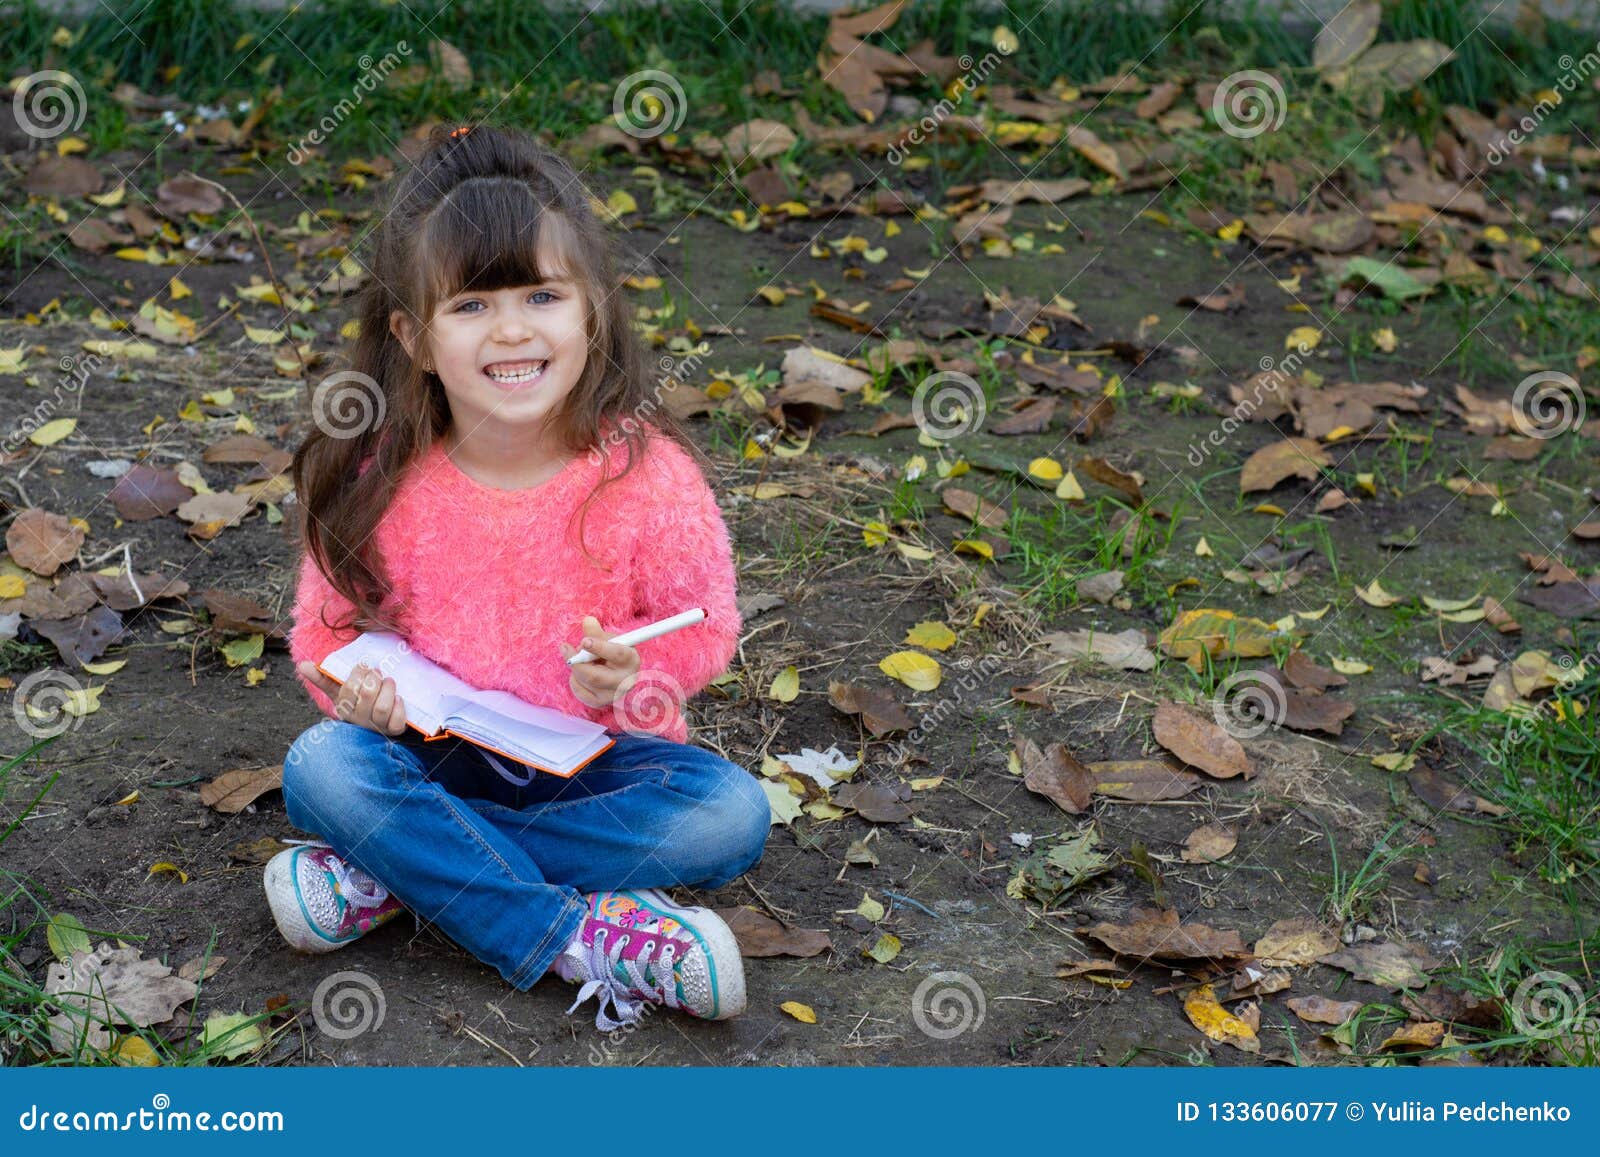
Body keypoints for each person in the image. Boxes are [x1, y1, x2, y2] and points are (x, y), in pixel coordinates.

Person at [265, 123, 769, 1032]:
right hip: (423, 756)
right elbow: (324, 635)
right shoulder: (383, 476)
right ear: (415, 338)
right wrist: (359, 697)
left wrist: (637, 675)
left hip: (591, 762)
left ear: (591, 312)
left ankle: (392, 872)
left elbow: (704, 620)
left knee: (730, 814)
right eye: (471, 306)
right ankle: (581, 938)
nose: (511, 330)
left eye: (541, 294)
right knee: (321, 767)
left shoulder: (644, 474)